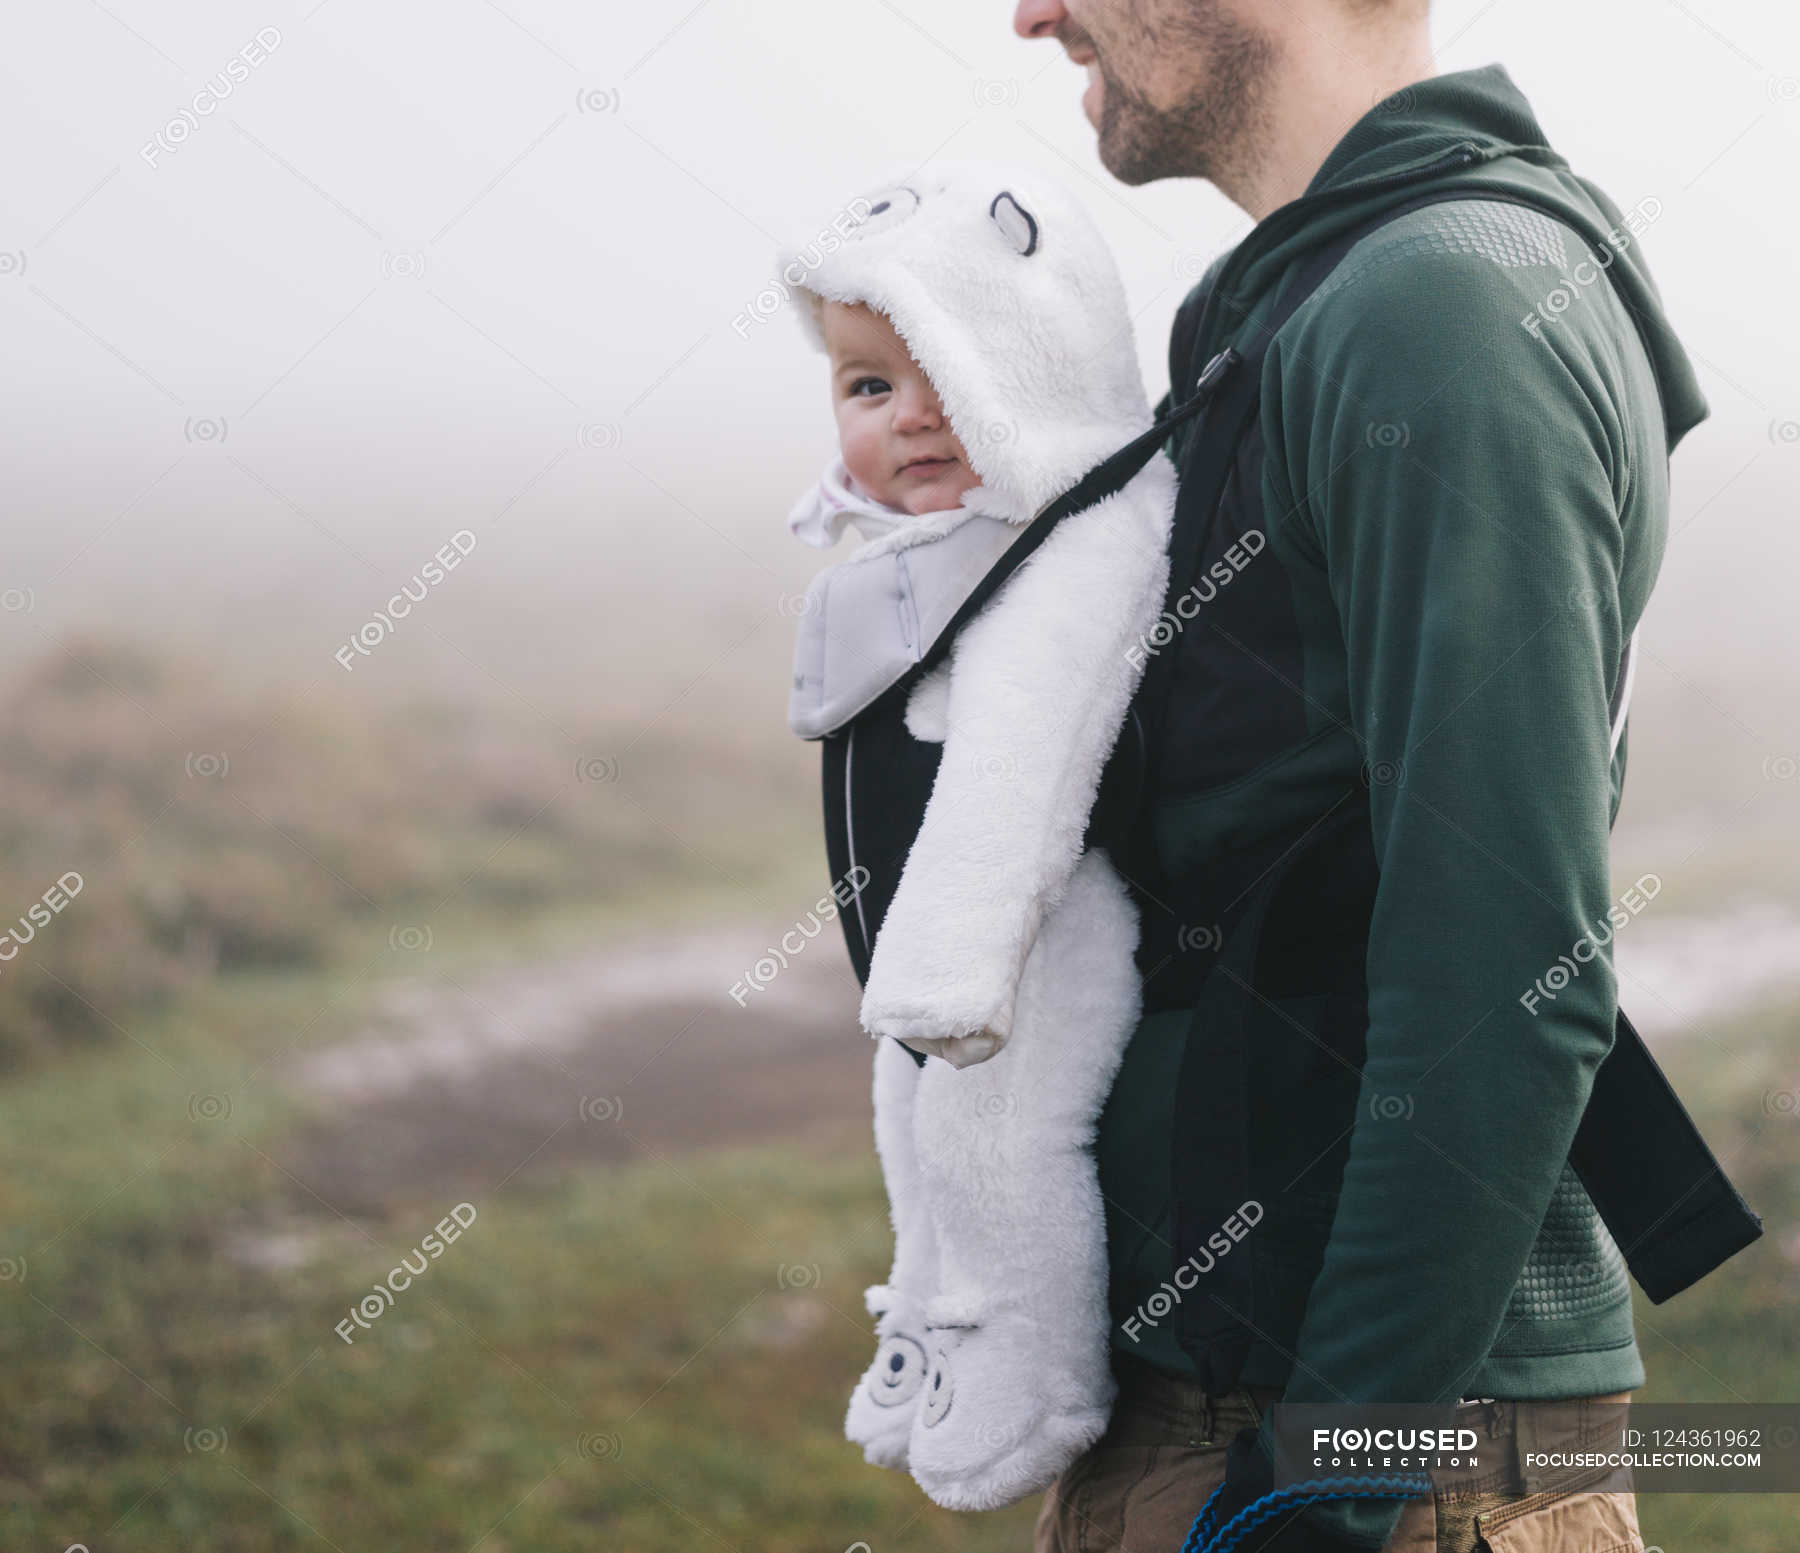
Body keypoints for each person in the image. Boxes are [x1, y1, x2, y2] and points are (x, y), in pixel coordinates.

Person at [1006, 1, 1716, 1550]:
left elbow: (1510, 968)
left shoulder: (1440, 308)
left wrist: (1331, 1481)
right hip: (1227, 1396)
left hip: (1384, 1446)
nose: (1029, 13)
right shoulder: (1303, 301)